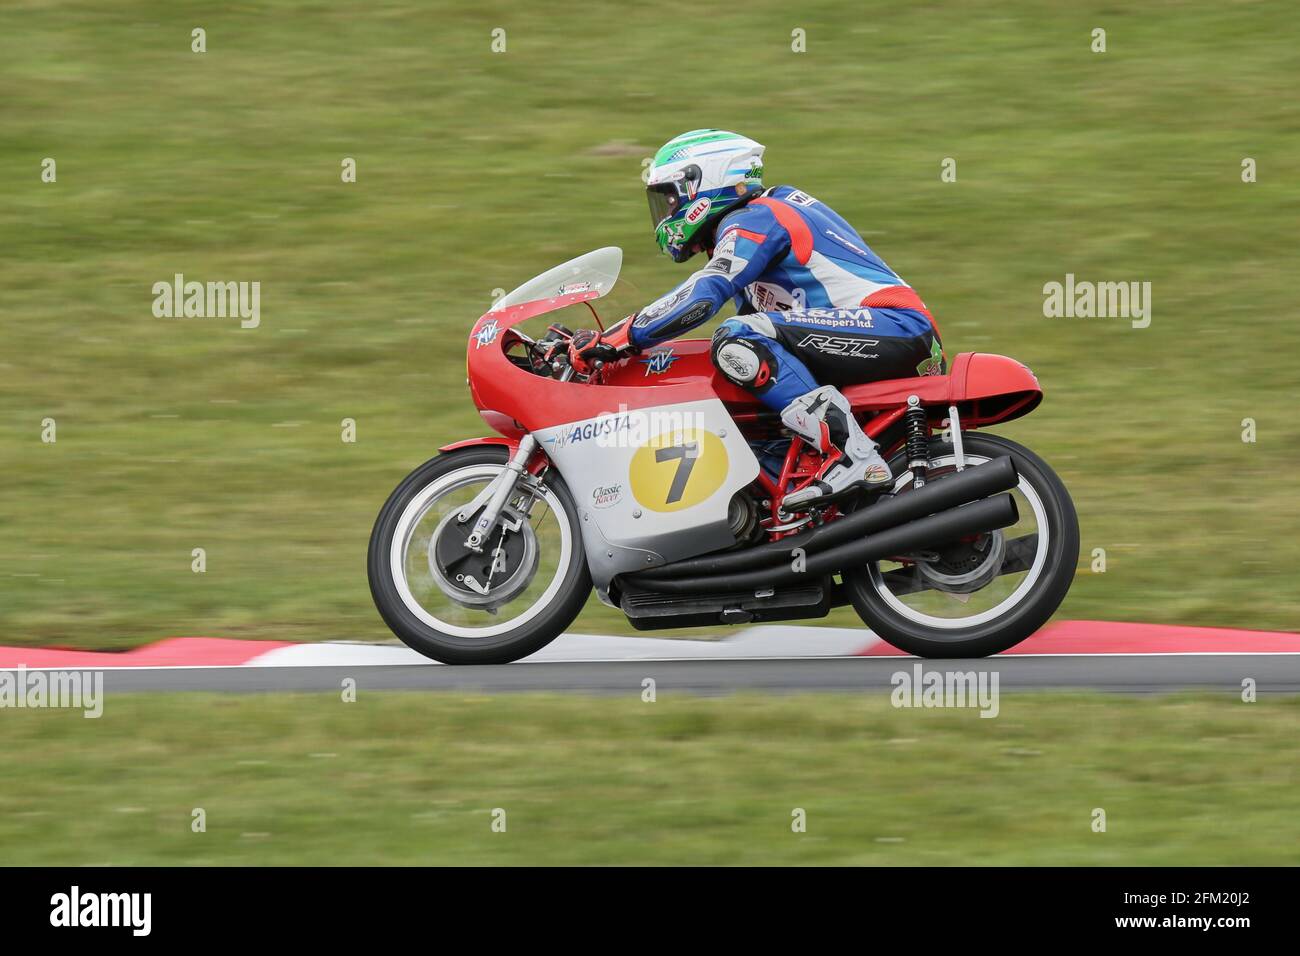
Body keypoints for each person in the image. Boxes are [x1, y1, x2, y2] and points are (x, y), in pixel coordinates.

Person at [569, 129, 944, 509]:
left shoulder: (759, 216)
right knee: (742, 392)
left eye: (670, 197)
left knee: (736, 338)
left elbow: (703, 297)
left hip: (897, 327)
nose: (666, 213)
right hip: (881, 341)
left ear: (704, 183)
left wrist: (618, 338)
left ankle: (854, 456)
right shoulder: (749, 228)